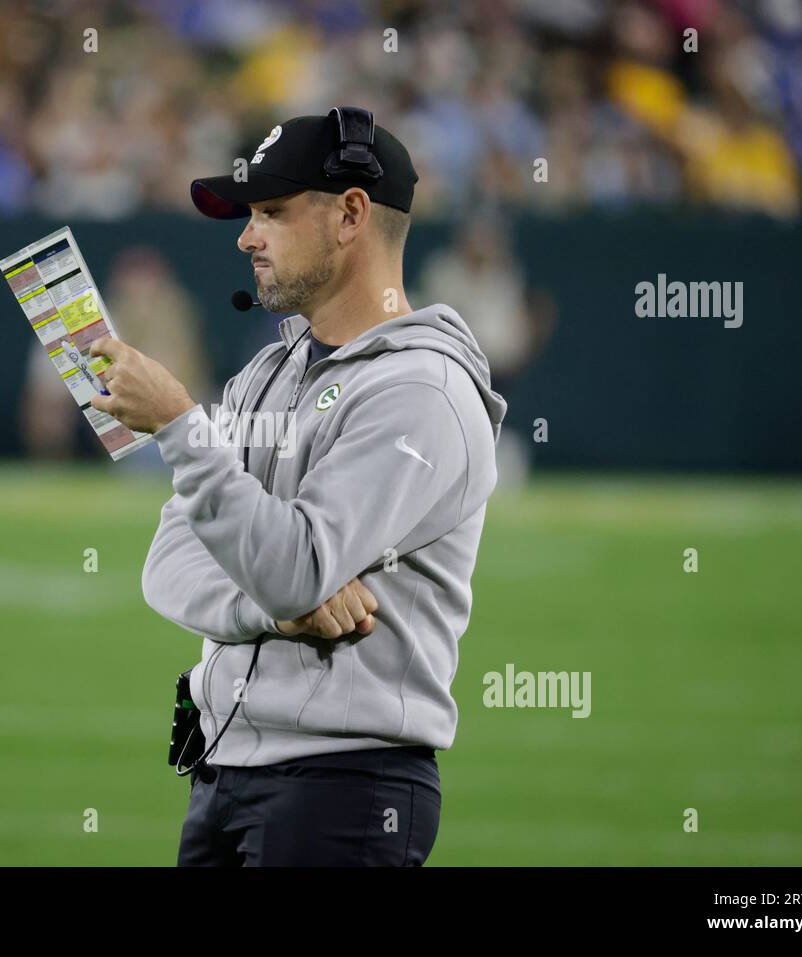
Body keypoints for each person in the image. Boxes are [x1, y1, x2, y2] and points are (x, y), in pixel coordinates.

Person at [89, 108, 506, 866]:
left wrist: (180, 425)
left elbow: (296, 567)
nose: (248, 236)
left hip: (345, 786)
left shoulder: (423, 389)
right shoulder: (266, 372)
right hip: (222, 769)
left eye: (273, 212)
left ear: (350, 214)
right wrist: (273, 615)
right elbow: (170, 564)